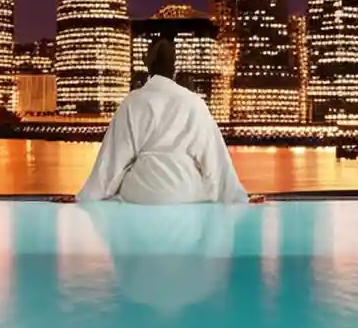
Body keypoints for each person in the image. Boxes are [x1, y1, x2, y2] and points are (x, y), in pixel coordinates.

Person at [76, 38, 250, 204]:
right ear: (174, 69)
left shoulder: (133, 102)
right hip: (185, 190)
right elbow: (215, 158)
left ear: (149, 66)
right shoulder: (193, 103)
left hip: (142, 192)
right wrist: (236, 197)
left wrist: (87, 197)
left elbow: (112, 161)